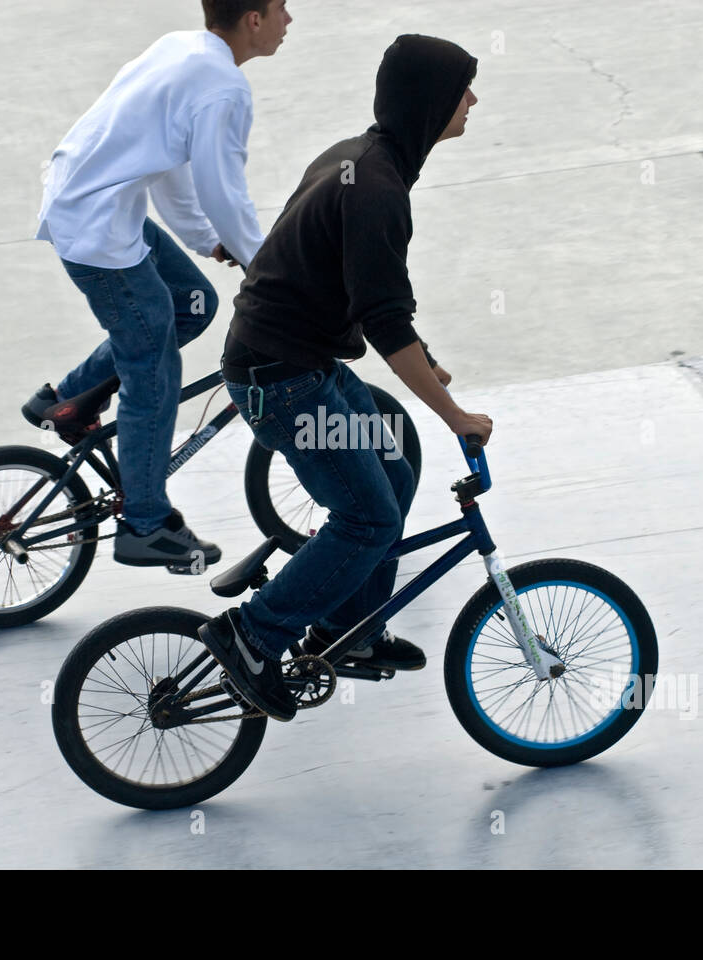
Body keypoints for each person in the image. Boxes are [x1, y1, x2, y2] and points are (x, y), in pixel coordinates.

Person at [197, 34, 492, 721]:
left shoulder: (361, 158)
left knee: (392, 452)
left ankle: (348, 632)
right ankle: (252, 635)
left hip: (300, 361)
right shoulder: (378, 188)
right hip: (283, 379)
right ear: (430, 103)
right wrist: (457, 415)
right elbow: (385, 321)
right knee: (366, 518)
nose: (473, 101)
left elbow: (349, 288)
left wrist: (422, 357)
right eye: (462, 90)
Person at [24, 1, 293, 569]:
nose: (289, 19)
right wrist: (266, 270)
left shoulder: (184, 49)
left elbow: (174, 164)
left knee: (194, 305)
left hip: (97, 203)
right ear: (253, 19)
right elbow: (224, 191)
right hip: (99, 230)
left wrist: (203, 237)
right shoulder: (224, 89)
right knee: (154, 370)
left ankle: (67, 401)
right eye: (282, 8)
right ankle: (143, 523)